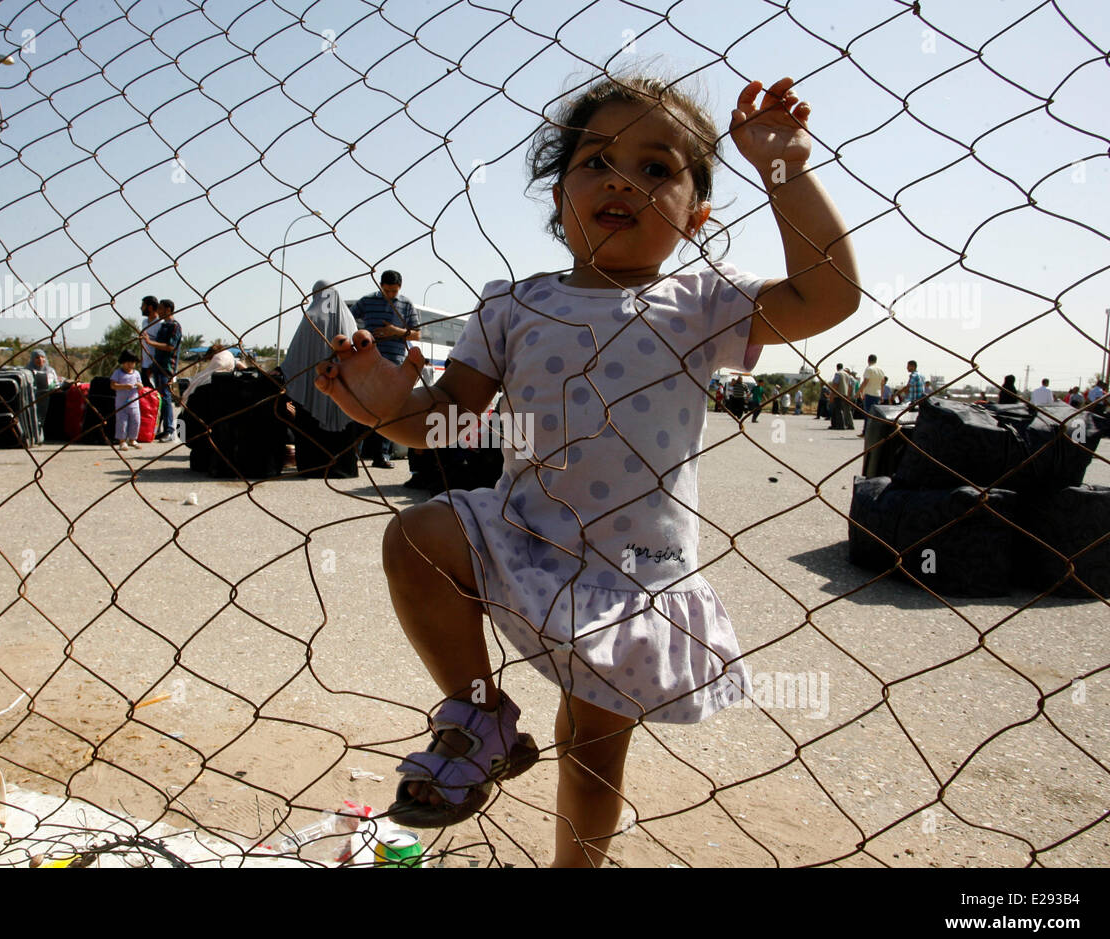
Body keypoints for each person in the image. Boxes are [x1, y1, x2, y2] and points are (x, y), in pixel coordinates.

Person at [314, 73, 859, 865]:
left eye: (655, 168)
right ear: (558, 197)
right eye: (596, 160)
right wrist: (384, 410)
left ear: (696, 216)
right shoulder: (513, 307)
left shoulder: (701, 302)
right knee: (418, 533)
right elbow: (443, 421)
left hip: (629, 574)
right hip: (521, 537)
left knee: (592, 747)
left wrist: (784, 169)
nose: (620, 180)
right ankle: (478, 715)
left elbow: (828, 294)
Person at [281, 280, 362, 477]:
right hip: (343, 389)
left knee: (310, 428)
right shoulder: (348, 319)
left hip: (312, 386)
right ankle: (343, 468)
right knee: (344, 419)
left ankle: (312, 467)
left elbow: (294, 360)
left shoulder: (310, 317)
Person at [349, 270, 420, 468]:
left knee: (389, 408)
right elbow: (349, 318)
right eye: (386, 291)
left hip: (395, 362)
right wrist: (363, 336)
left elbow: (417, 334)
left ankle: (382, 454)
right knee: (362, 405)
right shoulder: (367, 301)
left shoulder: (406, 305)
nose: (390, 295)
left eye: (394, 291)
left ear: (400, 287)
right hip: (369, 360)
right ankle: (355, 453)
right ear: (380, 286)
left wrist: (394, 331)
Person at [142, 299, 182, 441]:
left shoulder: (175, 326)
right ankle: (161, 429)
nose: (158, 311)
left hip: (167, 367)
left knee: (166, 397)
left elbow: (170, 347)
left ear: (168, 310)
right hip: (158, 366)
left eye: (160, 308)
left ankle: (170, 430)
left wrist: (150, 342)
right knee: (159, 397)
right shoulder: (163, 325)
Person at [110, 350, 143, 450]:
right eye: (128, 362)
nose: (130, 365)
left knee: (136, 421)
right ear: (123, 362)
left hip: (134, 403)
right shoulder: (118, 373)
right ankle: (122, 441)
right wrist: (124, 386)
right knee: (122, 422)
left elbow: (141, 386)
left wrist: (138, 385)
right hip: (121, 404)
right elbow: (113, 385)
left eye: (132, 362)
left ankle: (132, 440)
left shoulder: (136, 373)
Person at [858, 354, 884, 435]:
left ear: (868, 360)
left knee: (868, 414)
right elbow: (882, 383)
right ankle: (874, 432)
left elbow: (865, 381)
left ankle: (866, 432)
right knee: (875, 415)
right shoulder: (880, 370)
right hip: (877, 394)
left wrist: (859, 391)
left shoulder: (869, 369)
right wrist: (882, 395)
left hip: (869, 394)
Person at [138, 295, 160, 387]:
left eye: (143, 306)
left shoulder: (160, 323)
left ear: (150, 307)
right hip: (145, 364)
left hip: (154, 364)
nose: (141, 308)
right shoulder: (144, 322)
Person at [829, 362, 854, 429]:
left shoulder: (838, 374)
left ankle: (840, 425)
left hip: (838, 394)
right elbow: (850, 386)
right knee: (842, 410)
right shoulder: (847, 375)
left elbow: (835, 384)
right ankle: (837, 424)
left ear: (837, 367)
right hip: (845, 394)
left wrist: (832, 394)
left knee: (838, 410)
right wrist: (848, 395)